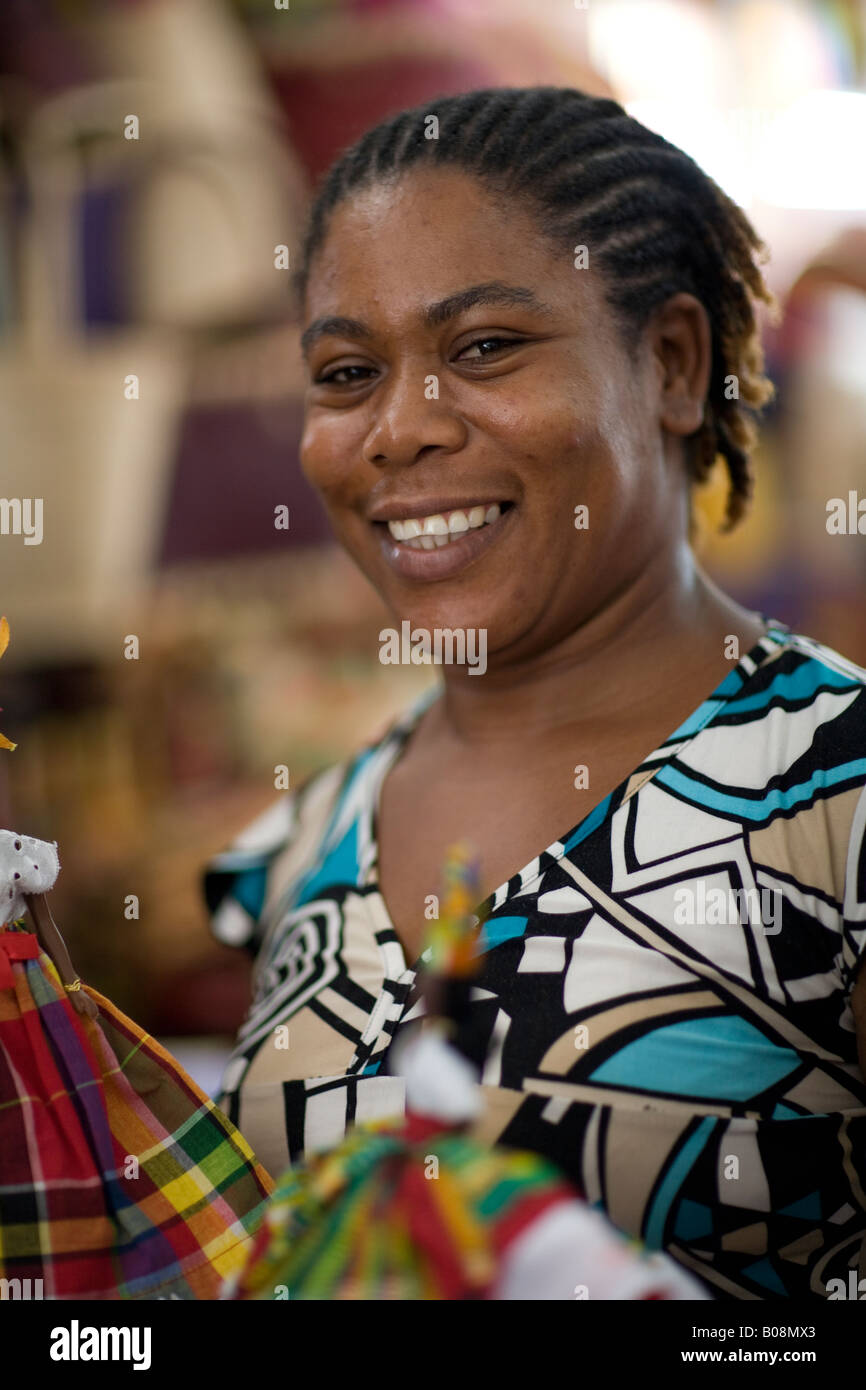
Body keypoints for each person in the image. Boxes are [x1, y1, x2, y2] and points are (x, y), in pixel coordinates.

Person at [203, 87, 866, 1301]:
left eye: (483, 349)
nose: (398, 430)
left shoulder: (838, 791)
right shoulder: (304, 842)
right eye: (346, 372)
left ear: (671, 364)